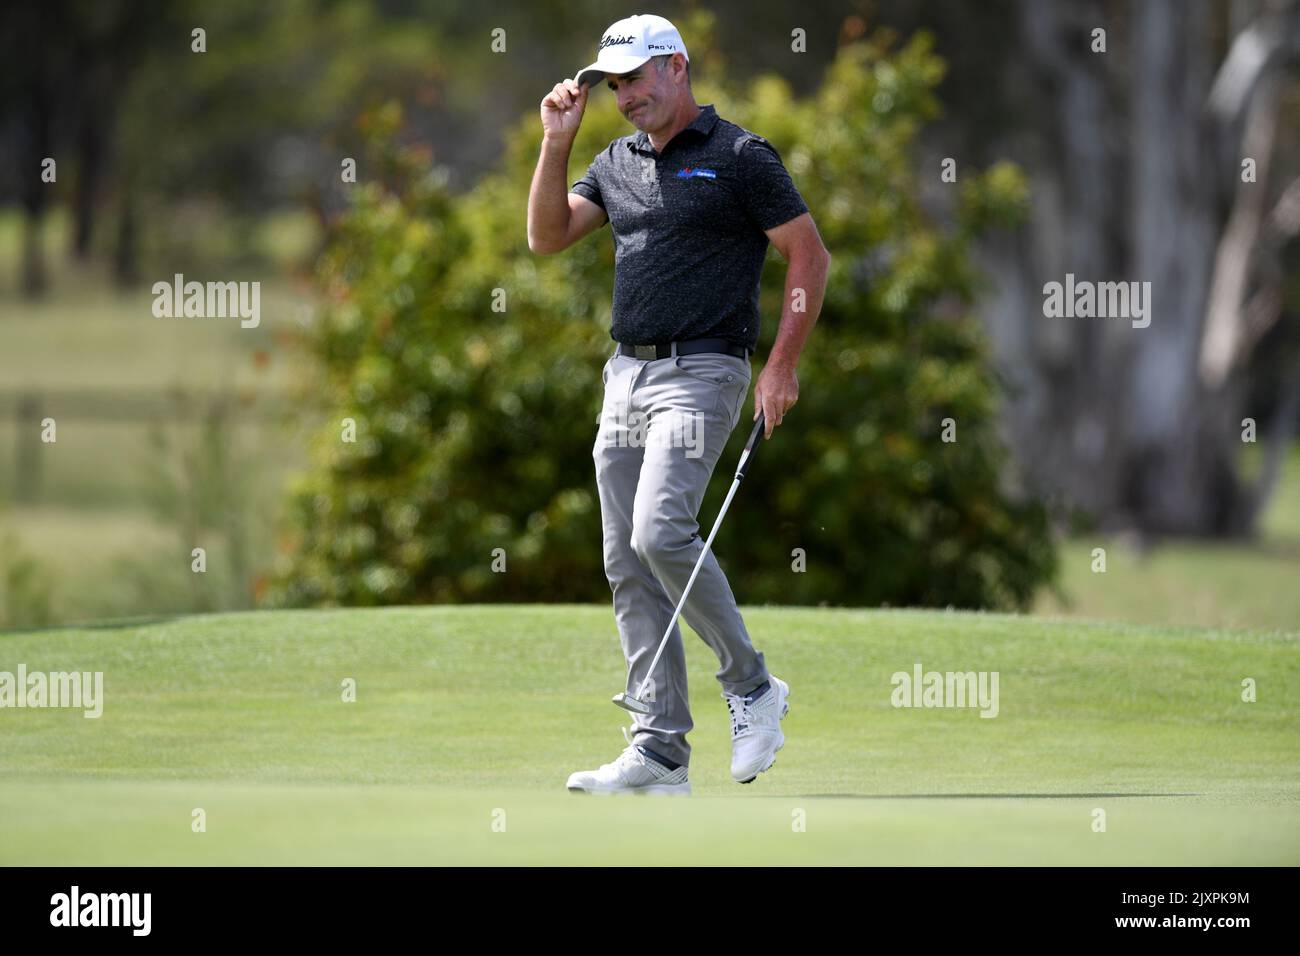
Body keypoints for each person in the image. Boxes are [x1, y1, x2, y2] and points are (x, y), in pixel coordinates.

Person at [527, 13, 830, 794]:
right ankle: (659, 751)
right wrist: (556, 140)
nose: (625, 96)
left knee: (661, 529)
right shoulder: (615, 160)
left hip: (705, 370)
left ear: (678, 69)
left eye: (635, 78)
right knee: (625, 557)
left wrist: (782, 366)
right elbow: (549, 235)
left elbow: (808, 255)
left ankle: (754, 685)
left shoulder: (740, 156)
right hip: (625, 376)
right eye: (614, 84)